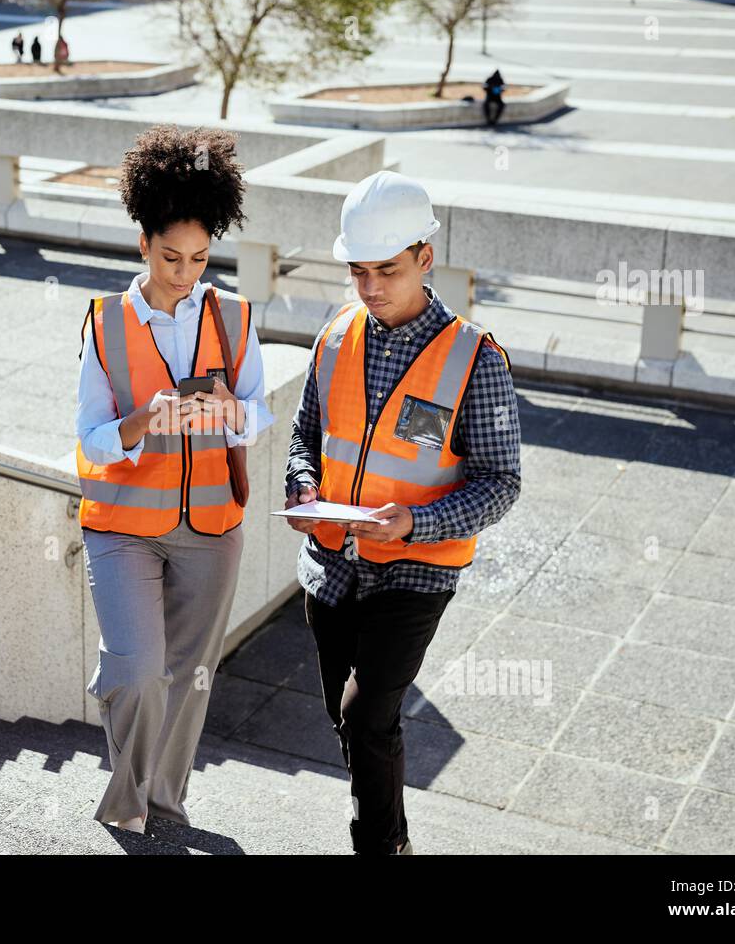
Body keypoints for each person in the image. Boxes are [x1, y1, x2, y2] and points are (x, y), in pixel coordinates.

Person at [283, 170, 522, 855]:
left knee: (366, 712)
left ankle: (380, 848)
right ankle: (394, 838)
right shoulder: (334, 338)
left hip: (415, 570)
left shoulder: (476, 359)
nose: (369, 287)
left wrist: (415, 523)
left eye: (386, 269)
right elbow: (306, 438)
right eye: (357, 270)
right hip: (330, 566)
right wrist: (303, 488)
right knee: (349, 718)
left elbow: (501, 481)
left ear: (426, 257)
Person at [75, 124, 275, 834]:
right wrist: (141, 422)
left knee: (189, 681)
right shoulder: (104, 324)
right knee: (135, 672)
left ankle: (163, 805)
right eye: (169, 256)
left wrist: (233, 411)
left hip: (212, 529)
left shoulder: (235, 317)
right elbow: (91, 437)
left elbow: (259, 413)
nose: (185, 272)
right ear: (142, 244)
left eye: (198, 257)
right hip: (123, 527)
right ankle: (127, 805)